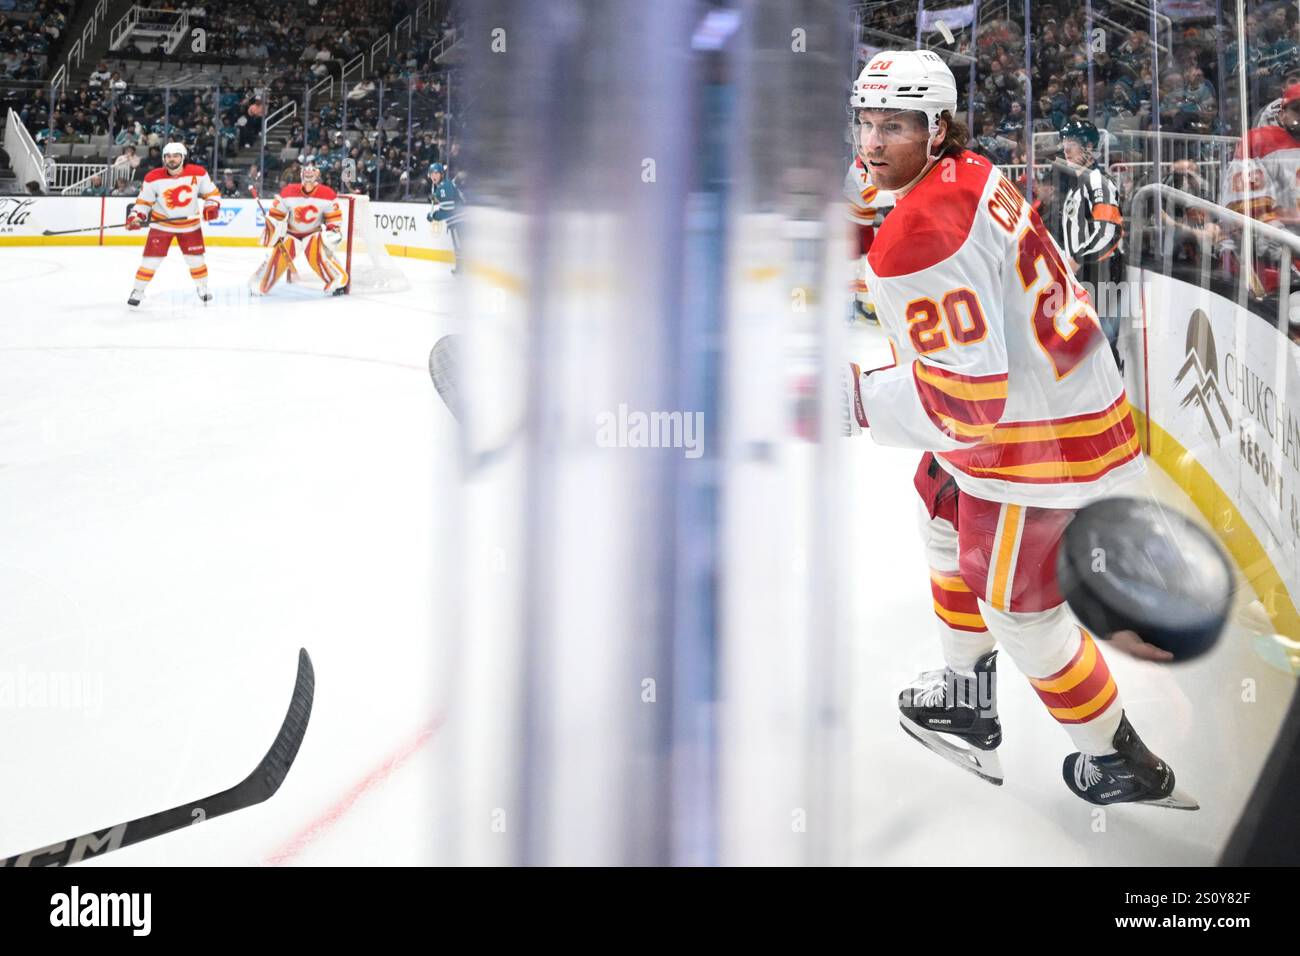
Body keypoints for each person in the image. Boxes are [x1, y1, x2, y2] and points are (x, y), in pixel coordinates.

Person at [842, 50, 1195, 810]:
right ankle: (968, 703)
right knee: (938, 515)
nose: (871, 143)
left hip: (1033, 438)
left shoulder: (920, 233)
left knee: (1021, 611)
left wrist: (853, 401)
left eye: (893, 126)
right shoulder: (969, 169)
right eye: (866, 121)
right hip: (1057, 391)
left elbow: (967, 402)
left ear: (935, 129)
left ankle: (1119, 760)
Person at [1055, 116, 1124, 369]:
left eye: (1072, 143)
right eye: (1065, 143)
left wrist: (1077, 260)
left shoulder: (1096, 180)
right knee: (1089, 344)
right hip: (1086, 274)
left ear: (1089, 148)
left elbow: (1110, 232)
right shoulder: (1077, 186)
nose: (1066, 149)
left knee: (1102, 342)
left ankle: (1114, 402)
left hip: (1101, 273)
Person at [124, 142, 220, 306]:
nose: (172, 159)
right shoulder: (153, 177)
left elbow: (212, 193)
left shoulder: (198, 173)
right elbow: (143, 202)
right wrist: (135, 216)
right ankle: (138, 291)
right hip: (162, 225)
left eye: (176, 156)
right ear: (163, 158)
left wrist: (211, 205)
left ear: (183, 157)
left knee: (196, 260)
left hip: (190, 225)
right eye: (168, 156)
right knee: (150, 261)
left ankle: (202, 288)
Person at [249, 161, 348, 296]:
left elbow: (334, 219)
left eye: (311, 173)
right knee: (277, 259)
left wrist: (333, 231)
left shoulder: (327, 194)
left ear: (317, 176)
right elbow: (276, 215)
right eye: (306, 174)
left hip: (313, 233)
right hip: (292, 234)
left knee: (316, 257)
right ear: (301, 175)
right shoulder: (289, 191)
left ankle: (338, 279)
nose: (308, 177)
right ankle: (262, 285)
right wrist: (272, 225)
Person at [427, 162, 464, 274]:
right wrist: (436, 198)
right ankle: (461, 268)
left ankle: (462, 269)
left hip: (458, 220)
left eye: (436, 173)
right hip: (460, 219)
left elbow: (447, 211)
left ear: (441, 174)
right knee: (459, 245)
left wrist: (433, 216)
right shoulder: (443, 186)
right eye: (431, 173)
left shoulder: (443, 186)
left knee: (459, 245)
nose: (434, 176)